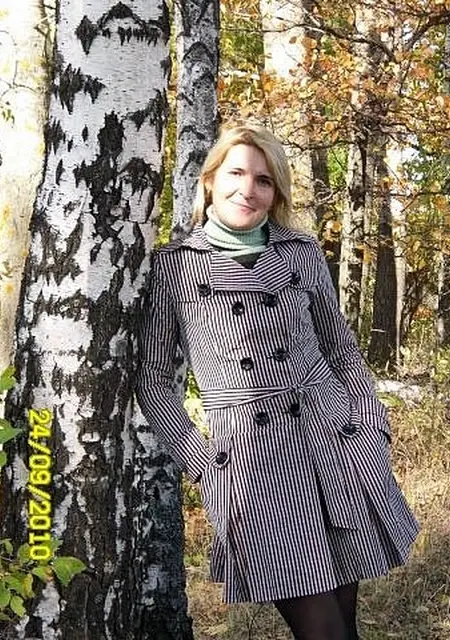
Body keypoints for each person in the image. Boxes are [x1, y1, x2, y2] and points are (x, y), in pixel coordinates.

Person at [136, 124, 419, 640]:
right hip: (252, 465)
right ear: (210, 181)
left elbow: (340, 349)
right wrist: (204, 462)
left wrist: (369, 423)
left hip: (334, 440)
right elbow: (154, 380)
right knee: (323, 631)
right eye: (237, 173)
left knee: (345, 625)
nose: (248, 189)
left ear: (276, 192)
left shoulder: (301, 251)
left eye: (264, 180)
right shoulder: (174, 267)